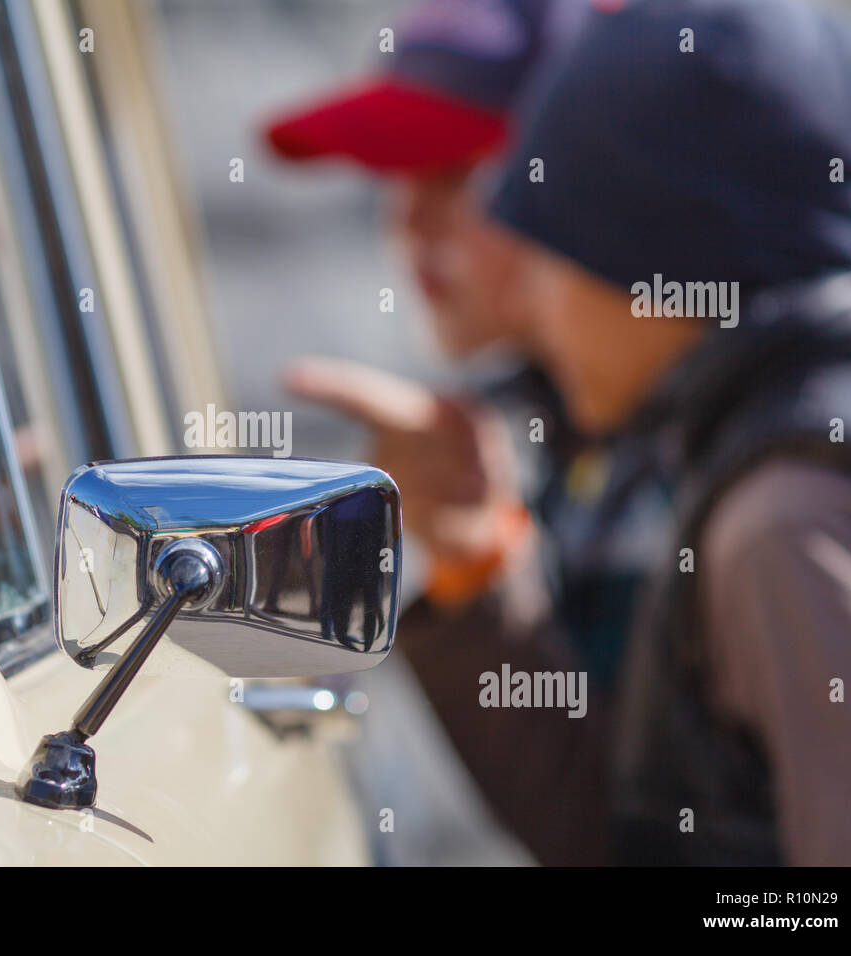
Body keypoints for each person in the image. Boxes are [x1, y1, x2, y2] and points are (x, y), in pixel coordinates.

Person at [395, 0, 851, 864]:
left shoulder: (786, 522)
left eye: (553, 253)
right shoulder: (775, 457)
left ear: (659, 269)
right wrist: (481, 574)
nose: (539, 309)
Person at [266, 0, 662, 689]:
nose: (408, 219)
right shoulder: (545, 419)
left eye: (454, 174)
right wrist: (476, 566)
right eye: (395, 172)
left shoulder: (702, 440)